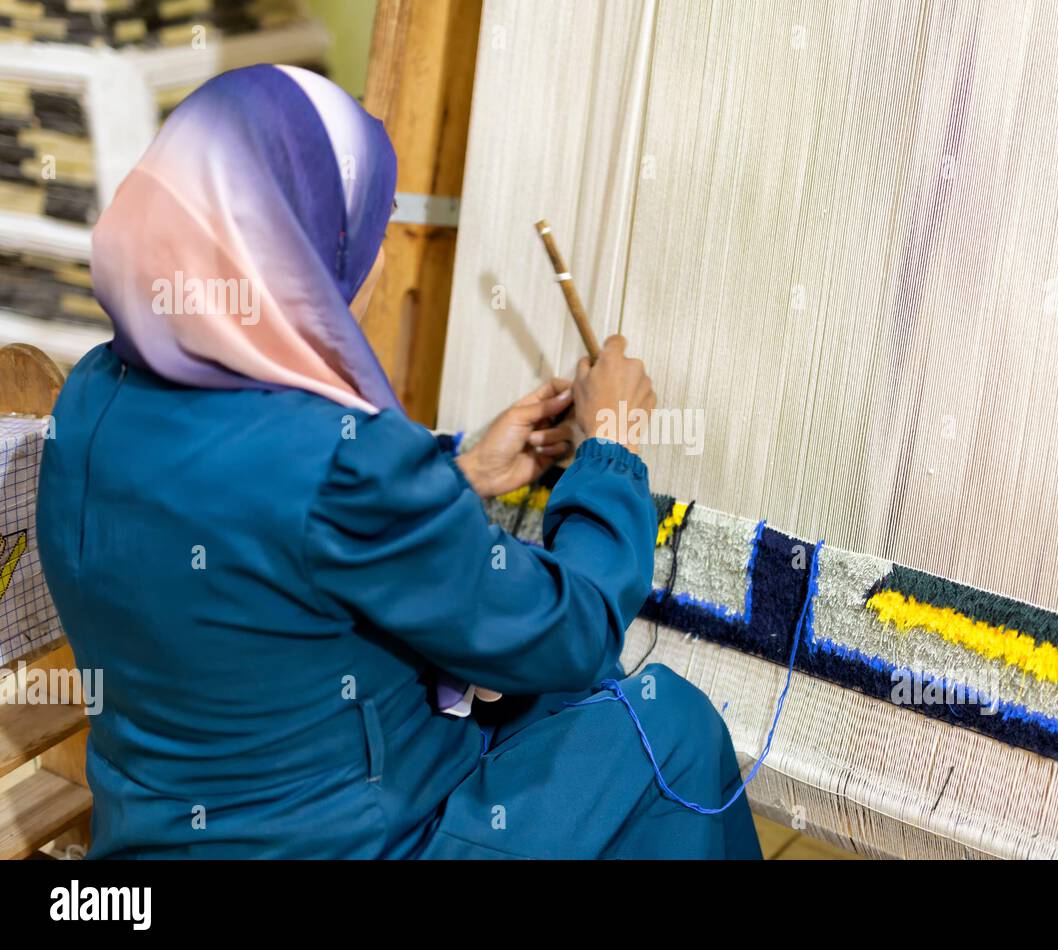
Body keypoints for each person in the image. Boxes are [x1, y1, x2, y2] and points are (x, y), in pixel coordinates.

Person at [35, 65, 760, 859]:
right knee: (668, 726)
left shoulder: (93, 396)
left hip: (156, 838)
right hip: (360, 845)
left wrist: (461, 476)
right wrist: (611, 451)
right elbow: (569, 630)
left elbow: (266, 542)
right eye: (364, 231)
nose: (373, 262)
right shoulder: (340, 462)